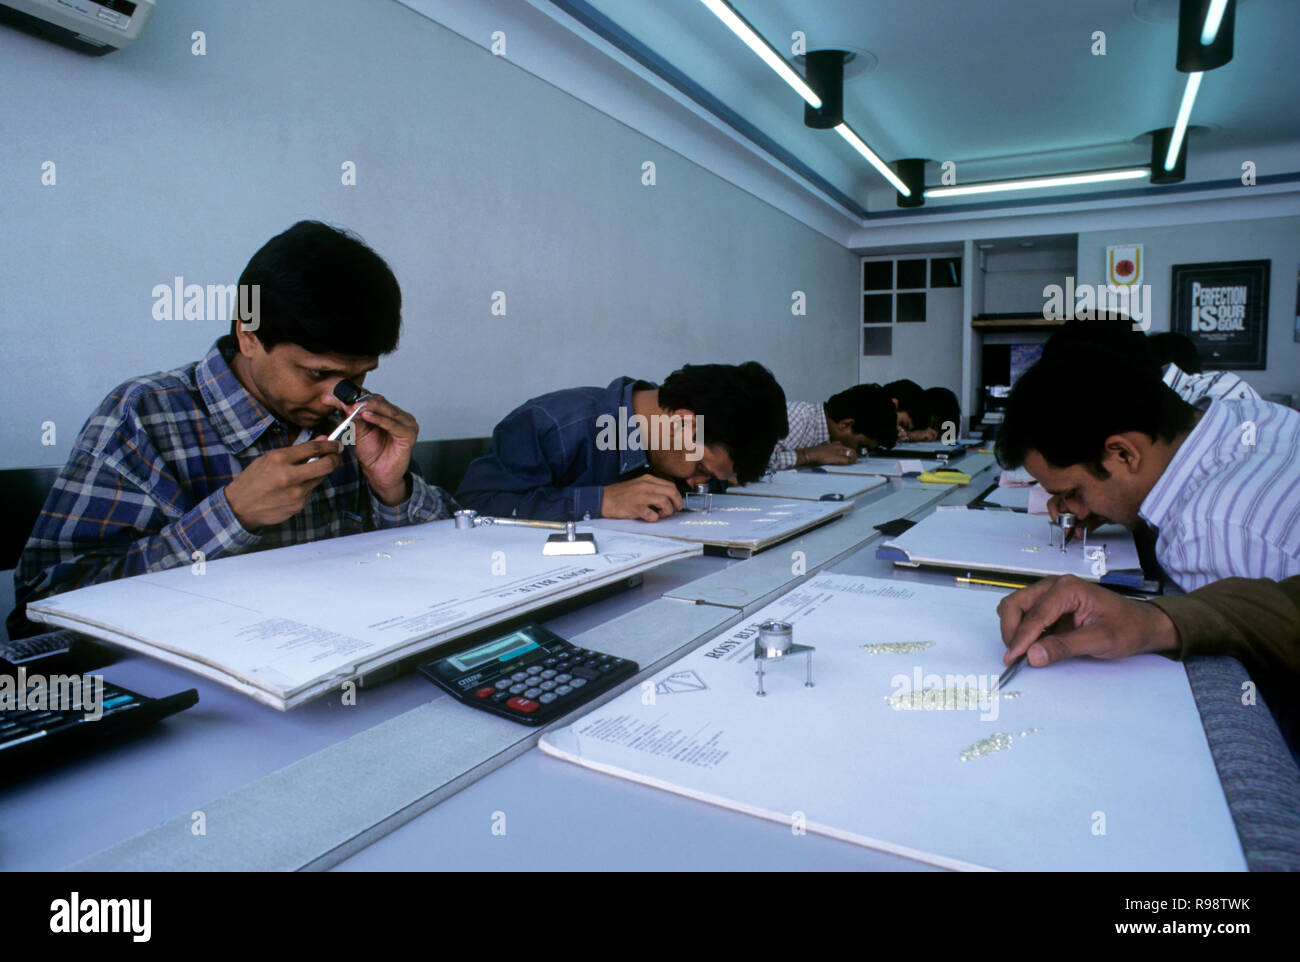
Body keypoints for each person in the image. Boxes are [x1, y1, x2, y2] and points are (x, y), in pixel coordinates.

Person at [9, 221, 454, 638]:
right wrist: (232, 515)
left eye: (357, 378)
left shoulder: (357, 426)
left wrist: (393, 492)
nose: (336, 399)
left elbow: (453, 571)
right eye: (317, 374)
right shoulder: (141, 419)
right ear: (248, 335)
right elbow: (41, 612)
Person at [994, 341, 1300, 594]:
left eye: (1075, 492)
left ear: (1125, 454)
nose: (1075, 511)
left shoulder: (1204, 535)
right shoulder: (1250, 414)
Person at [456, 363, 788, 523]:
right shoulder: (555, 425)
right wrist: (599, 502)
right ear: (684, 422)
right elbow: (471, 505)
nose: (696, 483)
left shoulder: (679, 440)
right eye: (700, 469)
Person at [766, 384, 896, 470]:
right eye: (861, 446)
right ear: (845, 424)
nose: (857, 453)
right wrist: (807, 455)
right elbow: (750, 464)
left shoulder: (824, 433)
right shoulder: (798, 419)